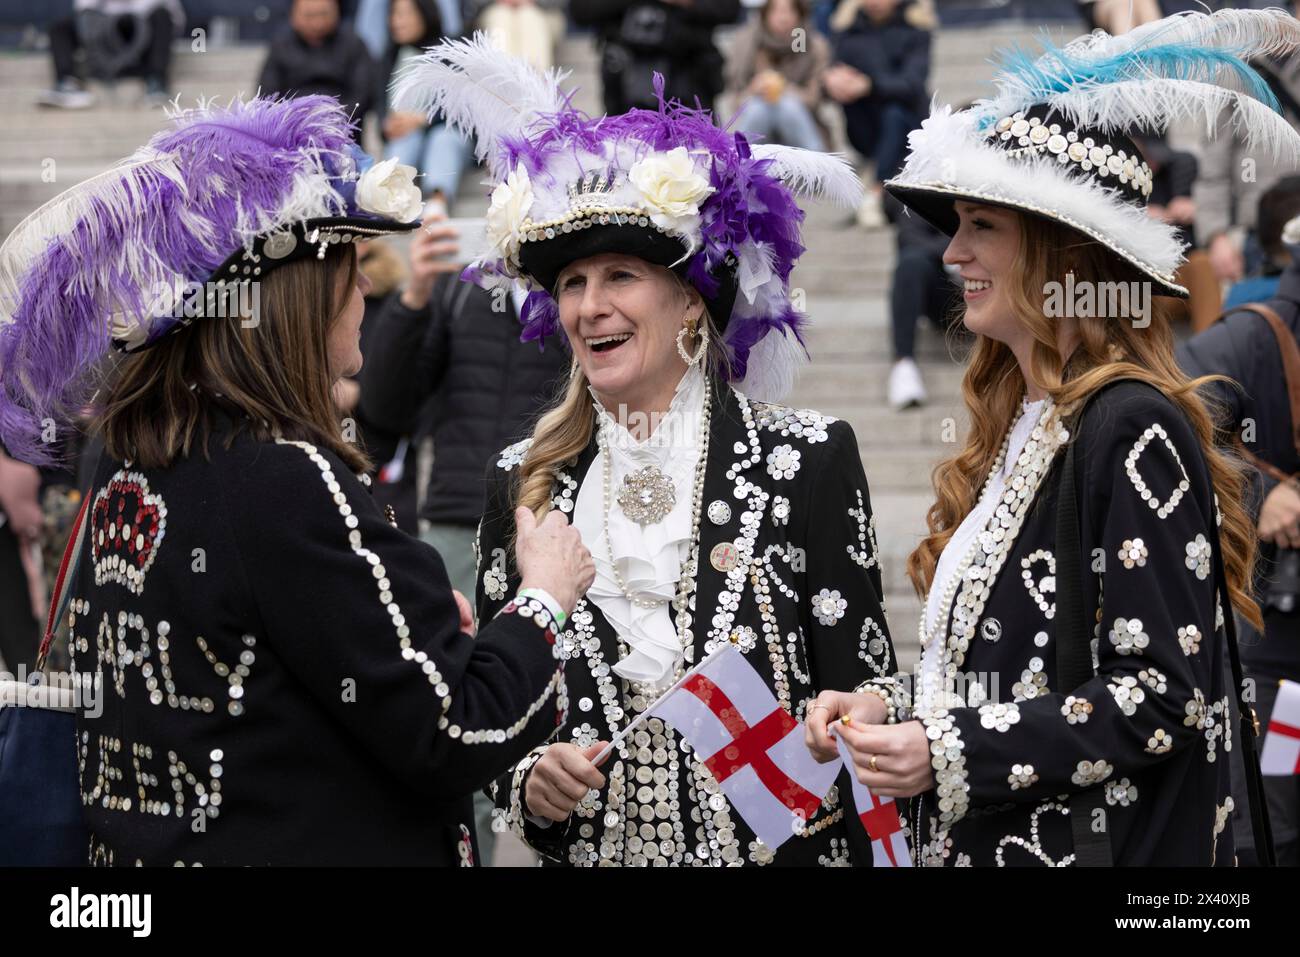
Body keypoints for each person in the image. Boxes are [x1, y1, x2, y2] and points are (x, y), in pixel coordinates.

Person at [0, 95, 595, 865]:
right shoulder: (282, 473)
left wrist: (392, 625)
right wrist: (543, 597)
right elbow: (452, 728)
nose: (365, 294)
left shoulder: (125, 448)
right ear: (299, 301)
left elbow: (267, 652)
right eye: (351, 273)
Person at [807, 8, 1295, 866]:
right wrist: (893, 711)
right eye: (956, 223)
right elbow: (1005, 673)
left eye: (981, 225)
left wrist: (948, 750)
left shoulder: (1131, 423)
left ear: (1066, 255)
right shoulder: (1021, 420)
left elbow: (1160, 697)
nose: (951, 252)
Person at [396, 34, 895, 865]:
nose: (591, 307)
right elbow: (492, 719)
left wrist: (862, 712)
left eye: (621, 275)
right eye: (571, 284)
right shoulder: (522, 482)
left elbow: (872, 683)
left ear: (692, 303)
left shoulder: (809, 460)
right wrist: (529, 779)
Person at [1179, 213, 1300, 866]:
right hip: (1276, 645)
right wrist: (1259, 492)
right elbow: (1168, 426)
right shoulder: (1254, 335)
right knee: (1272, 828)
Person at [824, 0, 931, 228]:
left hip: (906, 125)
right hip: (863, 124)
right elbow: (833, 70)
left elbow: (912, 84)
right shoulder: (847, 33)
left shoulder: (916, 32)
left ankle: (874, 189)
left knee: (894, 113)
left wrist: (870, 85)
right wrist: (833, 82)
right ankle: (874, 188)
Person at [374, 0, 474, 208]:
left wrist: (422, 118)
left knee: (442, 140)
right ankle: (393, 200)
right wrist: (388, 125)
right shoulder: (390, 56)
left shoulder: (449, 51)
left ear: (425, 15)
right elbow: (380, 109)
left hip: (447, 133)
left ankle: (438, 203)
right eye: (394, 15)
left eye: (405, 14)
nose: (397, 22)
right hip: (407, 136)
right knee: (404, 140)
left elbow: (464, 109)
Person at [568, 0, 742, 116]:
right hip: (625, 76)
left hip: (688, 74)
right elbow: (580, 11)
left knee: (697, 161)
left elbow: (730, 9)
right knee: (624, 160)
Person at [258, 0, 376, 142]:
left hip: (343, 132)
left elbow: (363, 93)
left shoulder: (353, 43)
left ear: (336, 11)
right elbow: (267, 95)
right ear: (293, 16)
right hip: (291, 134)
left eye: (324, 14)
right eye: (309, 16)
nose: (317, 23)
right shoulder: (281, 45)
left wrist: (333, 122)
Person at [725, 0, 831, 153]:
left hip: (802, 122)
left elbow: (815, 99)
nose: (783, 18)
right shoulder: (747, 43)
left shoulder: (813, 46)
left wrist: (784, 89)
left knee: (787, 105)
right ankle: (739, 163)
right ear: (764, 14)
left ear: (800, 14)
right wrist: (754, 89)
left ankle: (817, 170)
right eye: (776, 11)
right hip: (756, 118)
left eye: (790, 11)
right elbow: (734, 101)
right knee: (758, 107)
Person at [38, 0, 184, 108]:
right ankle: (67, 83)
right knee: (60, 27)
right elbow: (84, 11)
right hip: (102, 34)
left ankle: (156, 83)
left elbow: (175, 19)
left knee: (161, 17)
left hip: (141, 32)